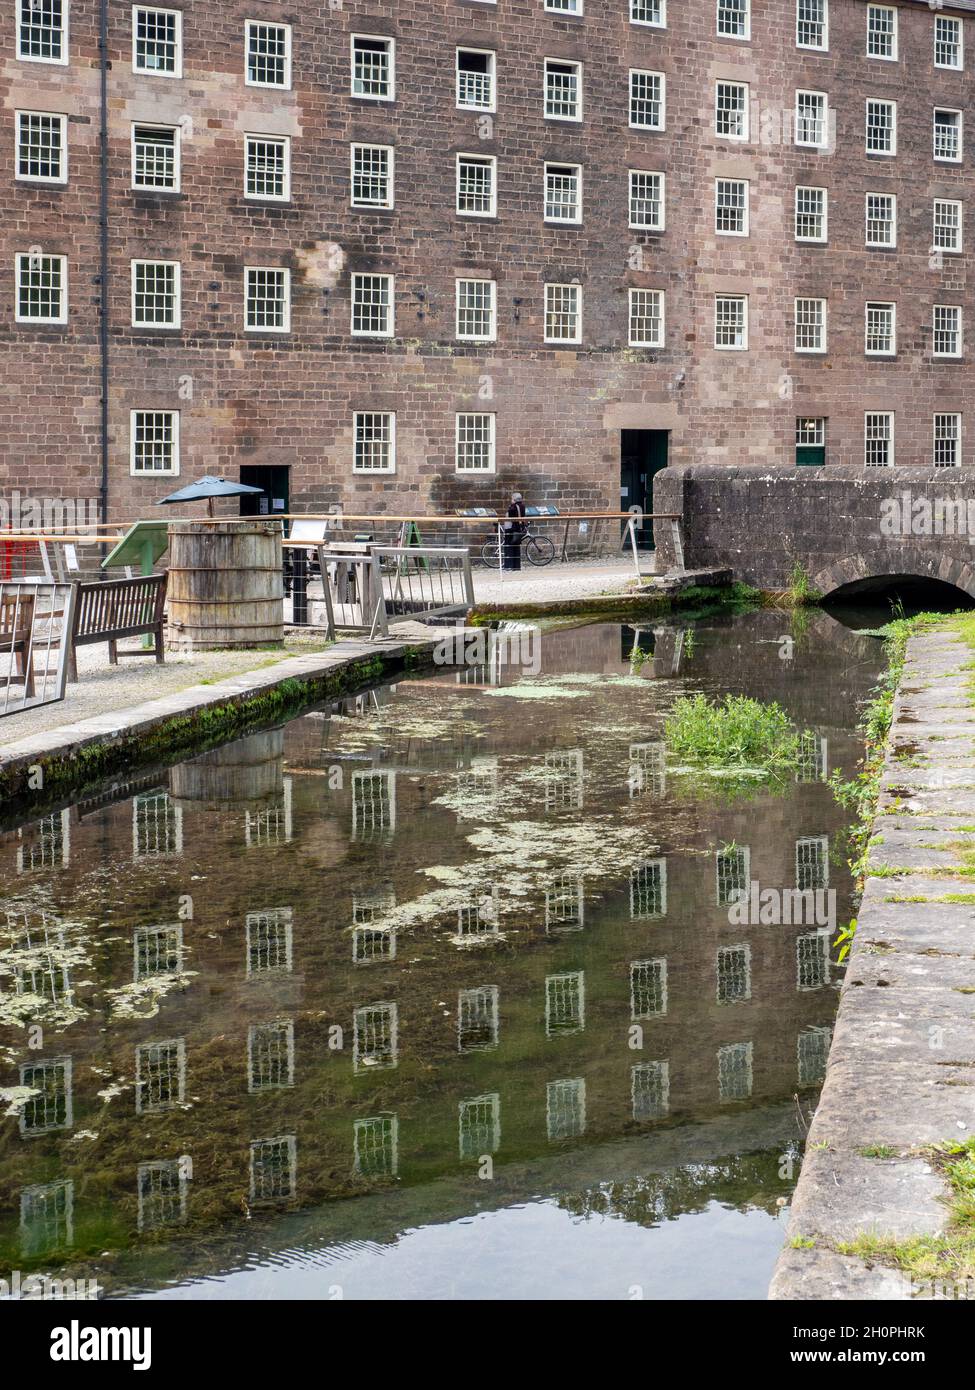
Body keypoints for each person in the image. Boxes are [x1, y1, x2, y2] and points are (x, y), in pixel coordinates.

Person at [502, 491, 527, 570]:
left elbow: (510, 516)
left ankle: (509, 565)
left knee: (509, 547)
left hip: (511, 529)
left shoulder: (513, 507)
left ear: (514, 499)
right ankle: (516, 566)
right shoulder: (522, 506)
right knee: (516, 547)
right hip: (519, 529)